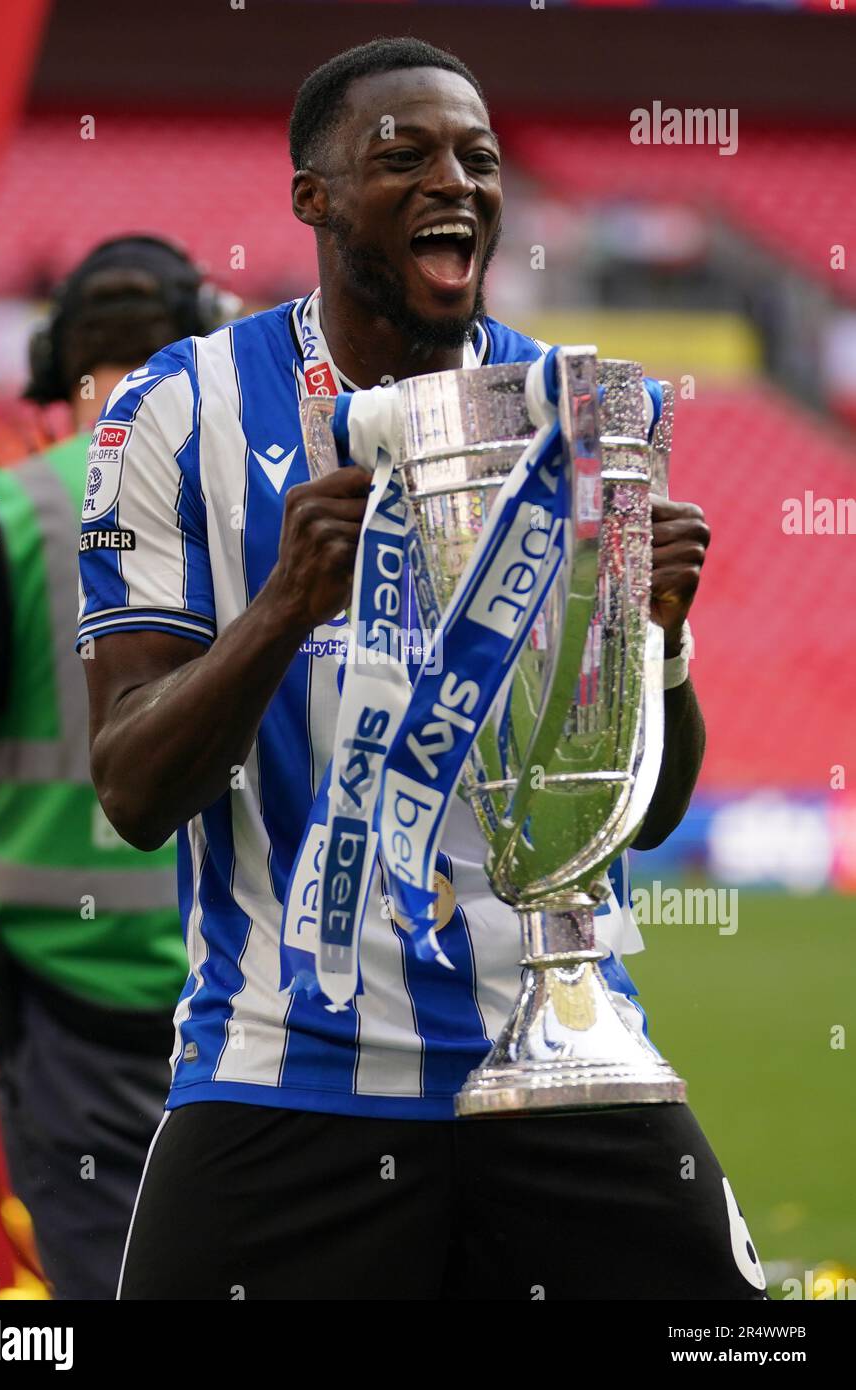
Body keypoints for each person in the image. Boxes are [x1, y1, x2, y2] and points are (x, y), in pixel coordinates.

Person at [79, 42, 766, 1301]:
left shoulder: (581, 420)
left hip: (556, 1048)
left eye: (479, 159)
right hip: (284, 1064)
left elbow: (644, 810)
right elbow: (130, 788)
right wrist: (283, 605)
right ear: (315, 198)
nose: (456, 181)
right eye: (404, 158)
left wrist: (655, 646)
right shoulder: (178, 415)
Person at [0, 235, 237, 1299]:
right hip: (250, 978)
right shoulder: (263, 499)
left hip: (67, 993)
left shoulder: (8, 508)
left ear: (61, 362)